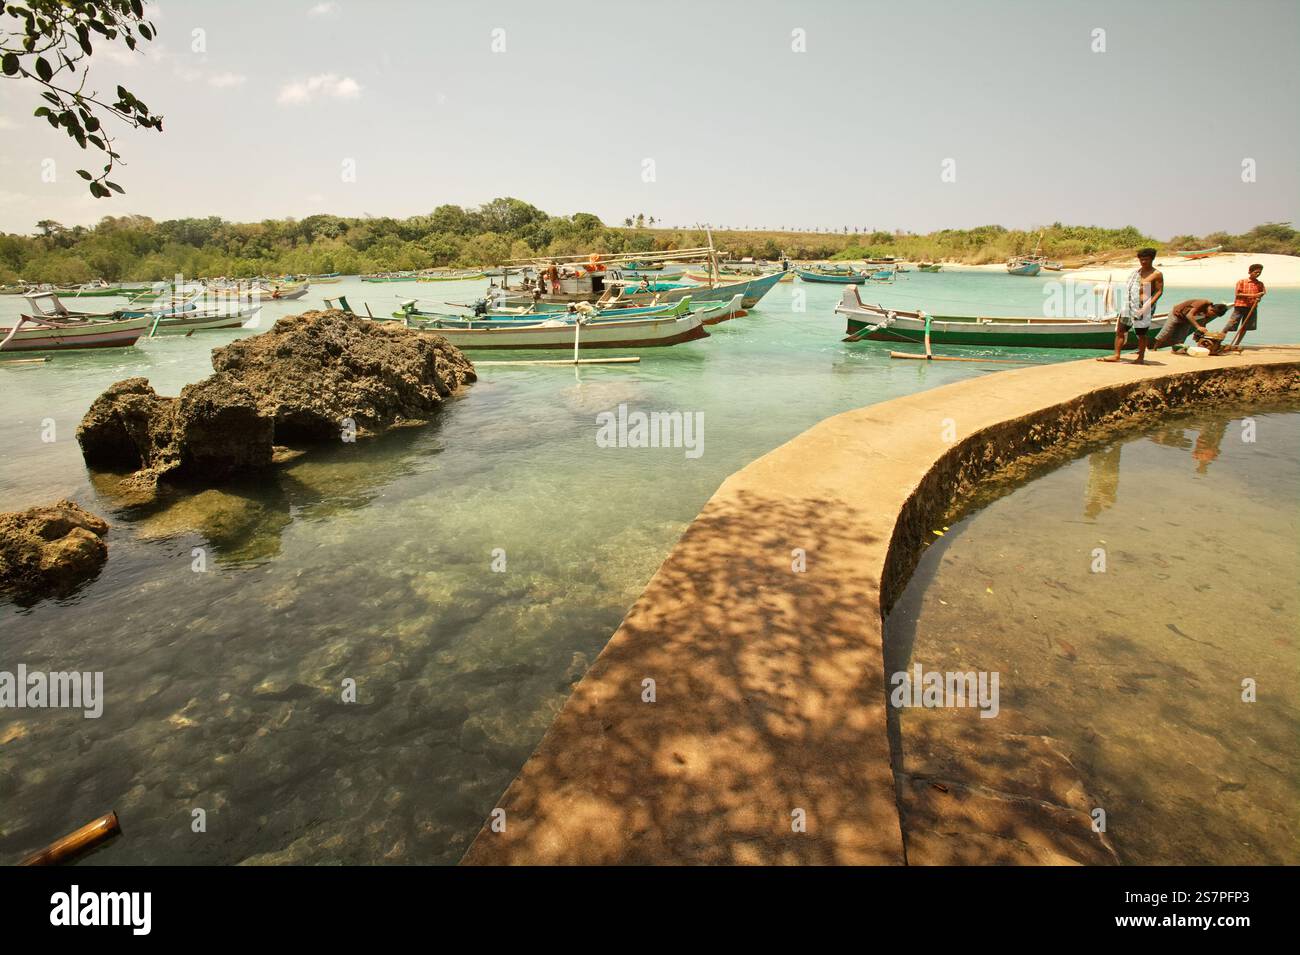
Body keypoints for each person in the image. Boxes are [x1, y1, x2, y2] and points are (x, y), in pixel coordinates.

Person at [1099, 247, 1163, 364]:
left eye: (1146, 259)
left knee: (1141, 333)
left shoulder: (1156, 274)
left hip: (1143, 306)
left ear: (1152, 259)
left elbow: (1159, 292)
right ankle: (1117, 355)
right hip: (1128, 305)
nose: (1143, 262)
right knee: (1120, 330)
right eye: (1141, 259)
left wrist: (1146, 307)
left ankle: (1140, 358)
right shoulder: (1136, 273)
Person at [1151, 299, 1229, 350]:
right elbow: (1189, 315)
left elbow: (1203, 323)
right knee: (1166, 333)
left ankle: (1177, 350)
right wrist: (1198, 327)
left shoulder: (1209, 312)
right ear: (1212, 309)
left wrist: (1200, 333)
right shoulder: (1202, 302)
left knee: (1181, 338)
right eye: (1213, 314)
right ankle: (1154, 349)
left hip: (1186, 319)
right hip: (1176, 314)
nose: (1211, 316)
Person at [1224, 263, 1266, 345]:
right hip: (1240, 306)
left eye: (1259, 273)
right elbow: (1238, 294)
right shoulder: (1242, 282)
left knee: (1245, 327)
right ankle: (1219, 340)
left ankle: (1236, 344)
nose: (1257, 274)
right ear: (1250, 272)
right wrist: (1253, 295)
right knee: (1231, 324)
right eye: (1256, 272)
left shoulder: (1260, 284)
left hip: (1251, 307)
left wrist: (1259, 297)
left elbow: (1262, 293)